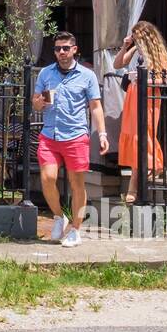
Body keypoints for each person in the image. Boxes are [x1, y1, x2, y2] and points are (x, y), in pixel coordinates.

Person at [31, 31, 108, 247]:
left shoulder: (87, 75)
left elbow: (95, 107)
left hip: (75, 135)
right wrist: (39, 103)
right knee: (47, 178)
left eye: (66, 48)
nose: (62, 52)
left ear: (74, 49)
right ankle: (58, 216)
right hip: (49, 134)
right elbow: (35, 101)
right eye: (57, 49)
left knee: (77, 184)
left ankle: (75, 229)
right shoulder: (45, 73)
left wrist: (102, 134)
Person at [114, 21, 167, 204]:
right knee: (133, 134)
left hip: (148, 96)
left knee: (144, 134)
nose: (135, 40)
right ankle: (152, 166)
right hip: (133, 95)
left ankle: (135, 181)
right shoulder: (134, 51)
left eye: (137, 36)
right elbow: (117, 64)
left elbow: (166, 79)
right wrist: (125, 46)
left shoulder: (156, 54)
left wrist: (144, 79)